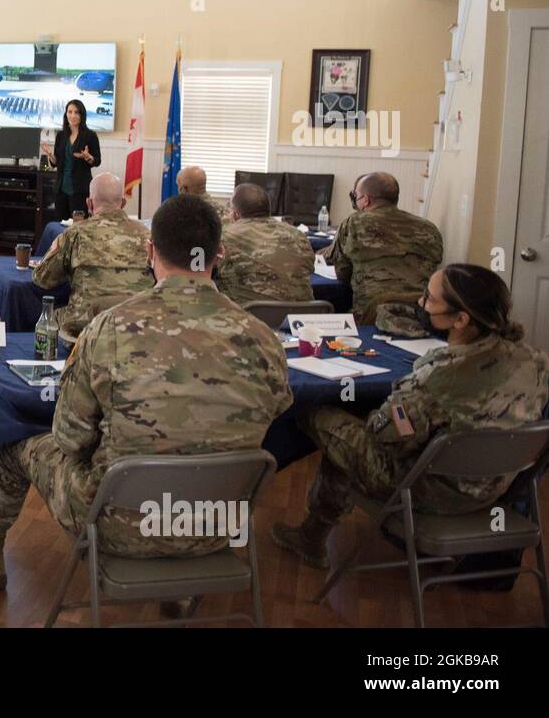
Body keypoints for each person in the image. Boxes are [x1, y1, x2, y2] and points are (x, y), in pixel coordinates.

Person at [0, 195, 293, 590]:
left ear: (150, 250)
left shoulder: (109, 329)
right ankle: (181, 592)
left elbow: (68, 437)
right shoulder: (264, 340)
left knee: (12, 445)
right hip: (217, 526)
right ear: (220, 254)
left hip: (119, 523)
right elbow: (277, 413)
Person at [272, 264, 549, 569]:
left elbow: (388, 439)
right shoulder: (535, 362)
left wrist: (380, 408)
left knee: (320, 414)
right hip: (496, 487)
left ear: (460, 319)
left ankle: (312, 536)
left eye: (429, 300)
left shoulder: (439, 377)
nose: (419, 304)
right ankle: (312, 534)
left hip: (429, 490)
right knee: (349, 430)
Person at [31, 171, 152, 336]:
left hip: (84, 329)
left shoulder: (75, 233)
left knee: (48, 317)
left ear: (89, 203)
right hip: (136, 327)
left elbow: (42, 279)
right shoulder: (148, 235)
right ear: (123, 203)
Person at [327, 172, 443, 335]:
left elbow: (342, 273)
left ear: (366, 200)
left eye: (358, 196)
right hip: (423, 314)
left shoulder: (354, 223)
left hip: (371, 314)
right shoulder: (429, 228)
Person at [216, 183, 315, 305]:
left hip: (250, 318)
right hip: (301, 317)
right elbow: (309, 269)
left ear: (235, 214)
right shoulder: (298, 235)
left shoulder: (225, 236)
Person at [41, 99, 101, 222]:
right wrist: (51, 155)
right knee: (61, 226)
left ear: (82, 115)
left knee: (78, 228)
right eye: (70, 112)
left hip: (80, 190)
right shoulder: (61, 135)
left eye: (76, 112)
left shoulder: (90, 135)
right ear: (66, 114)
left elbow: (97, 160)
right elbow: (56, 163)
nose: (72, 115)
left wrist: (88, 157)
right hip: (61, 189)